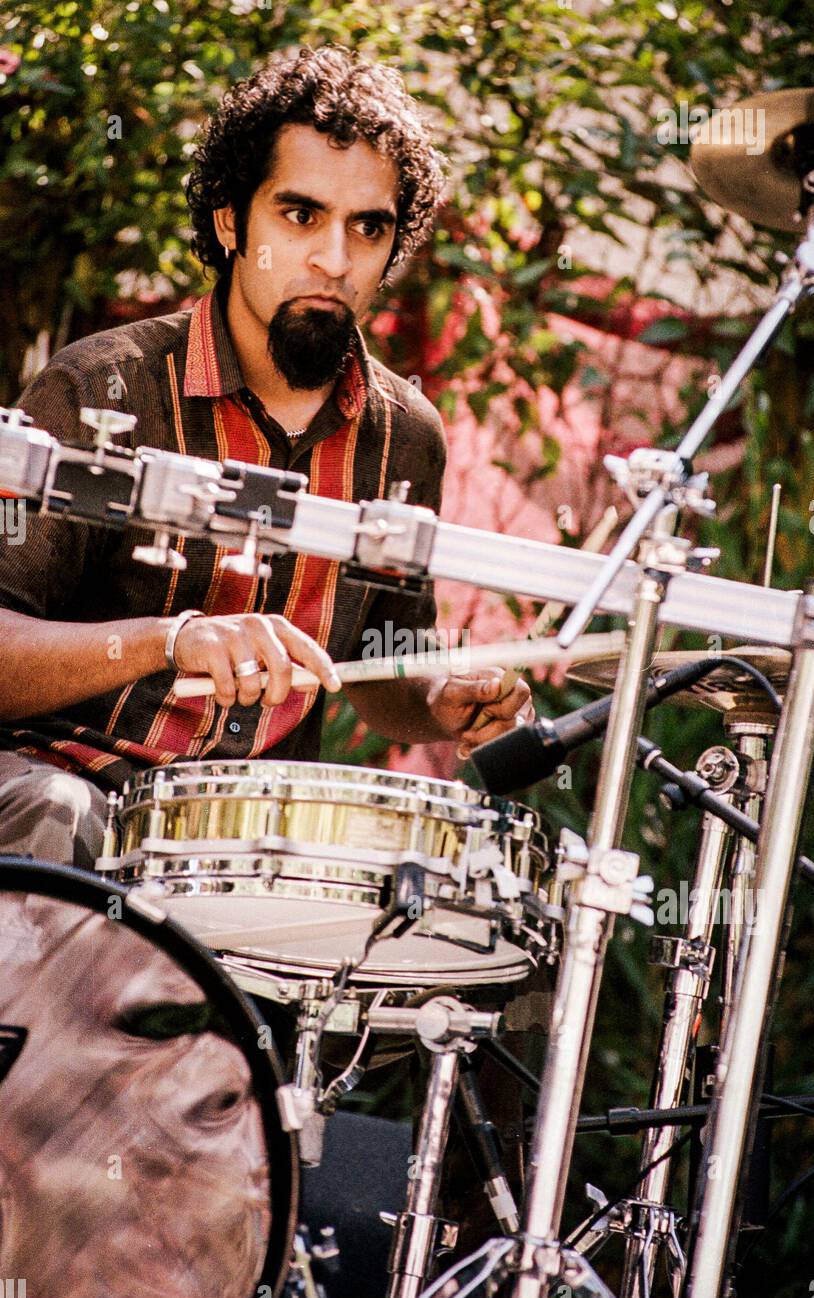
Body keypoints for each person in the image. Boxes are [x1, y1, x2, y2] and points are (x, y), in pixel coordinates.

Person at [0, 46, 532, 868]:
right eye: (299, 215)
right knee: (58, 810)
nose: (334, 258)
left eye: (369, 227)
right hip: (57, 793)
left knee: (468, 895)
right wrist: (169, 639)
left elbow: (376, 666)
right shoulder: (100, 389)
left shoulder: (404, 436)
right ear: (229, 221)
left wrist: (438, 697)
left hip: (246, 842)